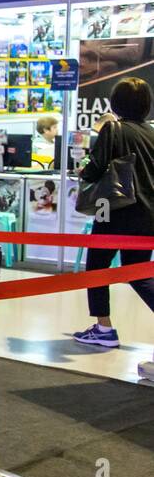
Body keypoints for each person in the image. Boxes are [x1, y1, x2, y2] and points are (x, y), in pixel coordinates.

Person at [72, 77, 154, 363]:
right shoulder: (152, 132)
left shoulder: (113, 129)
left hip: (114, 210)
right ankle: (102, 328)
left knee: (97, 267)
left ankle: (103, 328)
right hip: (148, 215)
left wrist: (83, 171)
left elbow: (94, 170)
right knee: (138, 271)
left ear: (114, 104)